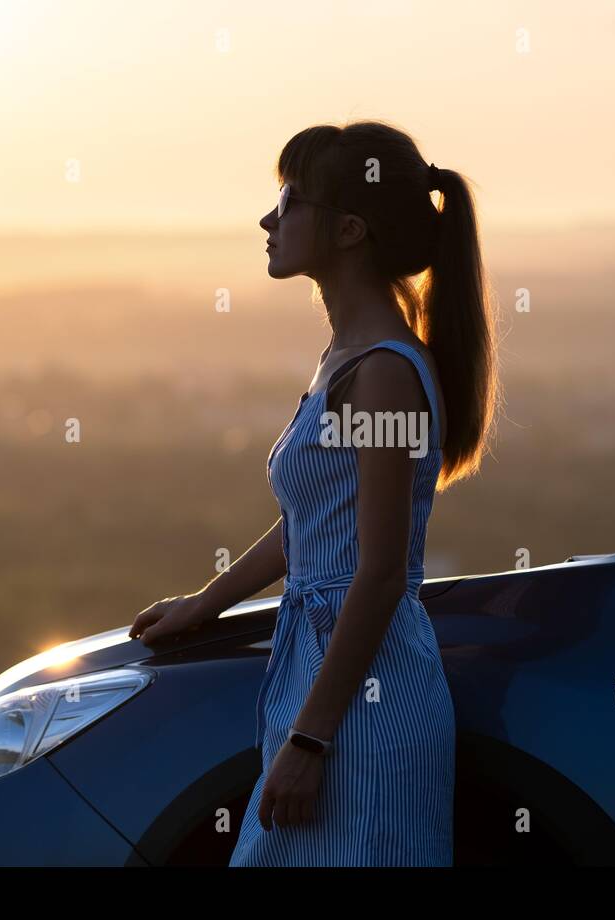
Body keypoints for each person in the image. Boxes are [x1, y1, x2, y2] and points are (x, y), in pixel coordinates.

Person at [129, 120, 498, 865]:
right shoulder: (349, 358)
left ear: (350, 230)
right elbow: (316, 521)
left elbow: (383, 570)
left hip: (364, 702)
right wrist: (206, 603)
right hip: (323, 681)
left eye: (290, 202)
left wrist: (310, 737)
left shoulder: (385, 375)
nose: (269, 220)